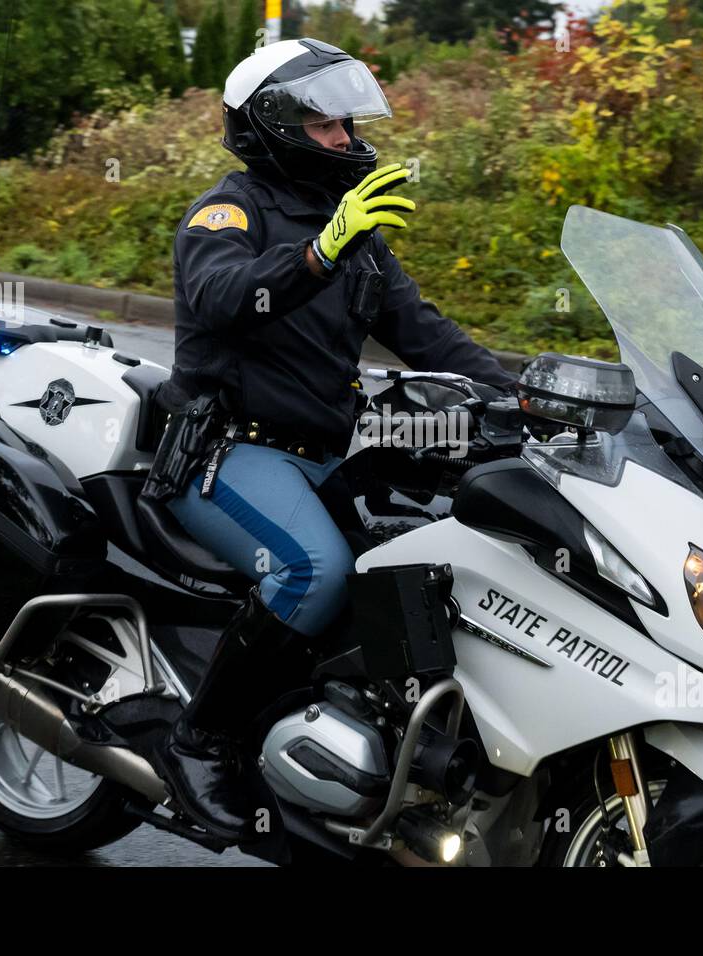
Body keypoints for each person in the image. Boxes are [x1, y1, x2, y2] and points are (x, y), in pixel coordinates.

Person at [152, 38, 516, 843]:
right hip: (226, 451)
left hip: (322, 452)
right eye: (327, 128)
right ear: (275, 127)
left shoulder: (355, 233)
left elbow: (425, 334)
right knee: (316, 570)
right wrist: (318, 254)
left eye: (348, 124)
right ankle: (198, 744)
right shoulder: (230, 211)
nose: (347, 141)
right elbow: (222, 297)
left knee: (422, 557)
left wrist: (520, 394)